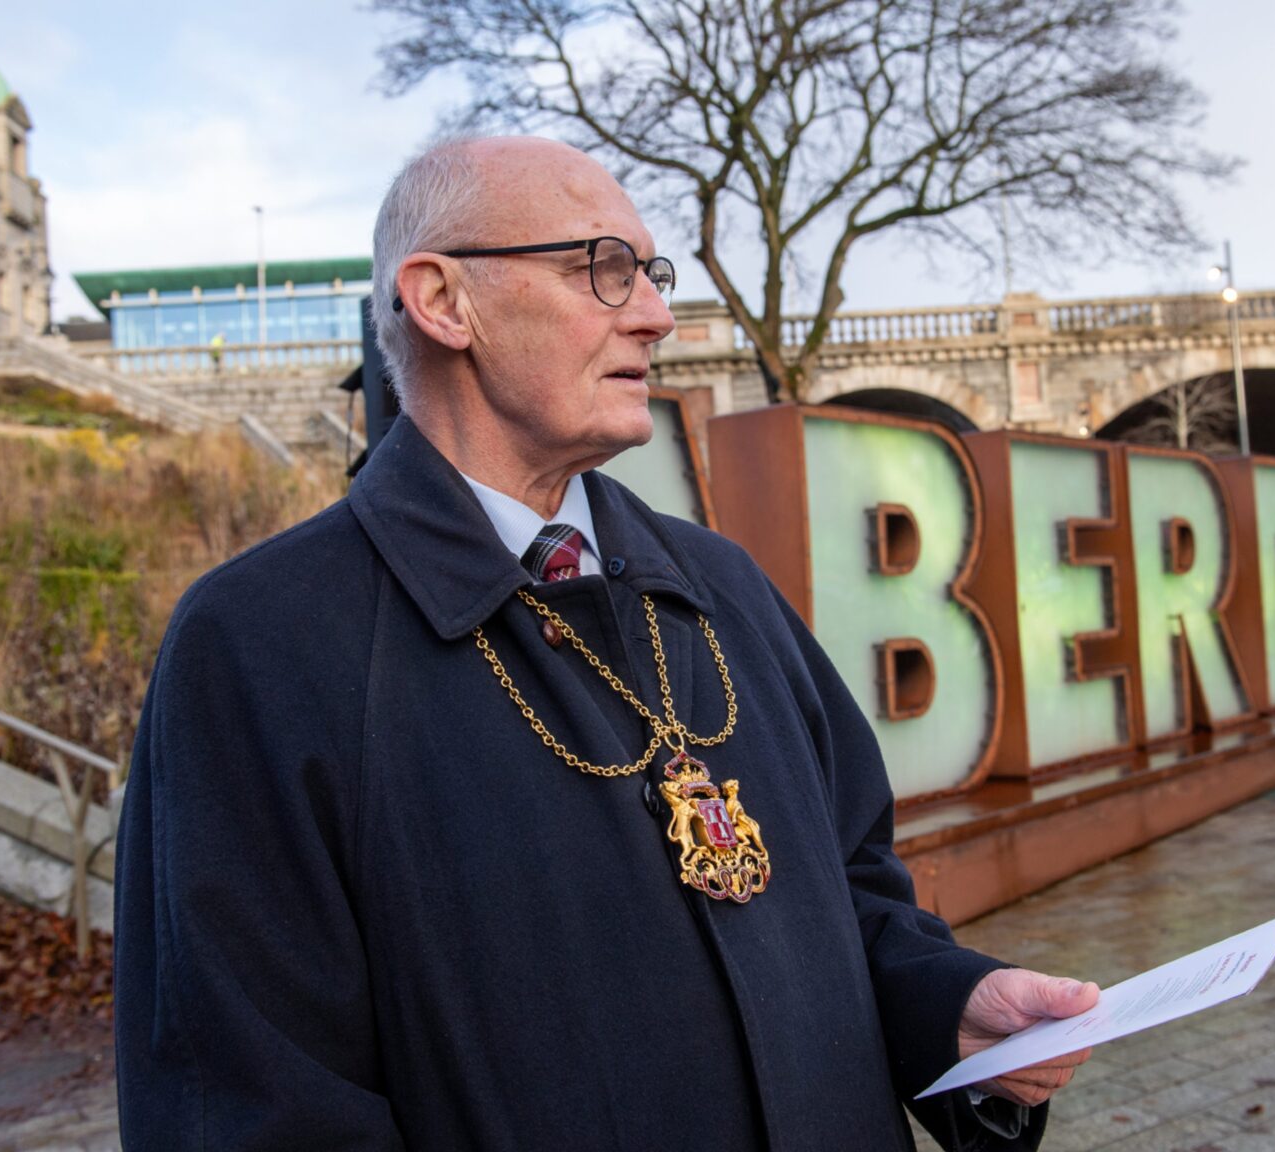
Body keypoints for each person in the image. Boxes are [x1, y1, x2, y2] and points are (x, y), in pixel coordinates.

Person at [114, 136, 1098, 1151]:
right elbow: (250, 1108)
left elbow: (853, 893)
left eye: (650, 273)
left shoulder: (724, 584)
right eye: (604, 268)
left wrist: (951, 1011)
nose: (658, 315)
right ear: (446, 302)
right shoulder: (258, 649)